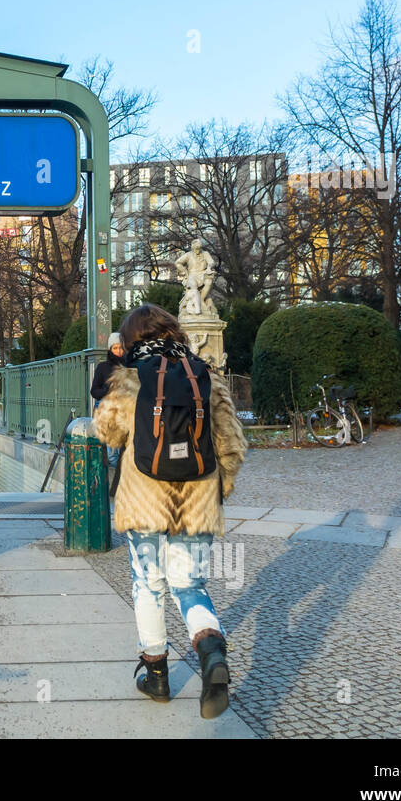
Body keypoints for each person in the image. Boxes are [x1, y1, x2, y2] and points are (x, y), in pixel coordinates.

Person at [92, 303, 248, 719]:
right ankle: (212, 651)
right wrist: (219, 490)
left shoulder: (129, 378)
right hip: (195, 496)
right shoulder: (207, 376)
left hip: (144, 495)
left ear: (131, 340)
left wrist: (112, 373)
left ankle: (157, 675)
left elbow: (107, 432)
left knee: (148, 583)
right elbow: (231, 445)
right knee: (189, 582)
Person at [90, 332, 125, 409]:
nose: (118, 351)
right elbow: (94, 391)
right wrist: (107, 391)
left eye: (121, 348)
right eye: (115, 348)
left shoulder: (130, 366)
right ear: (110, 349)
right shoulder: (103, 367)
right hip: (107, 405)